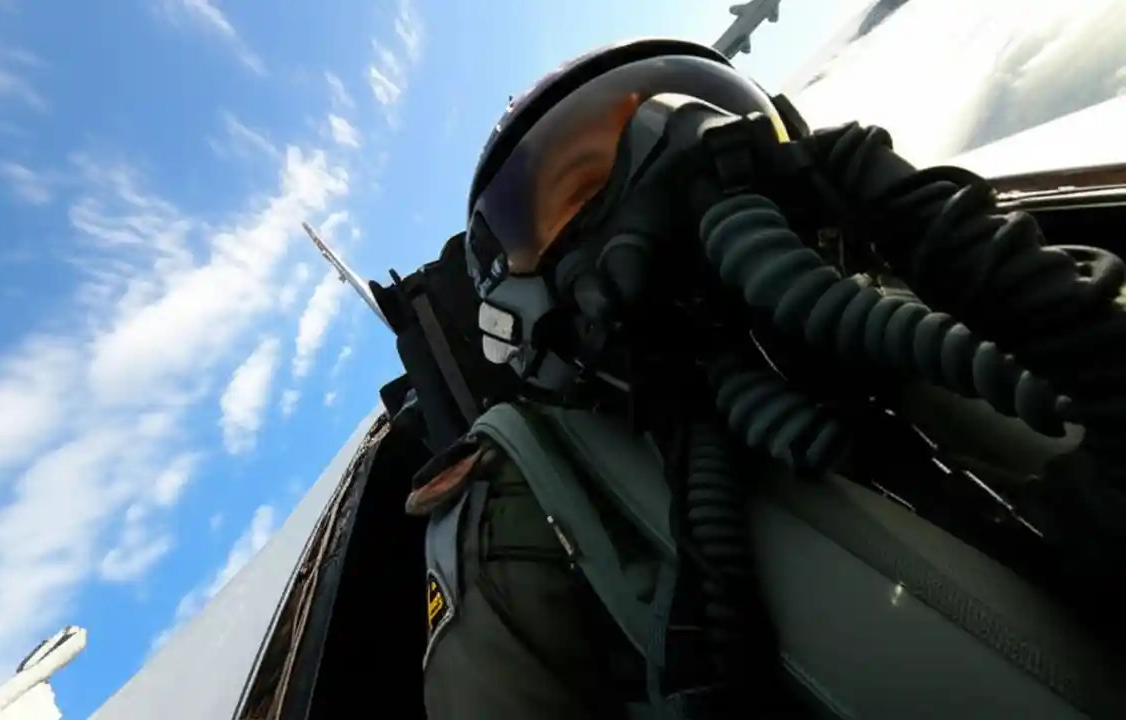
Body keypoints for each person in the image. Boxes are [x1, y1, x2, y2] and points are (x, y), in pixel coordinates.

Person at [410, 37, 1126, 720]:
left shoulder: (910, 306)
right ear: (523, 314)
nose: (686, 143)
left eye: (710, 111)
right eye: (583, 185)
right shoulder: (524, 502)